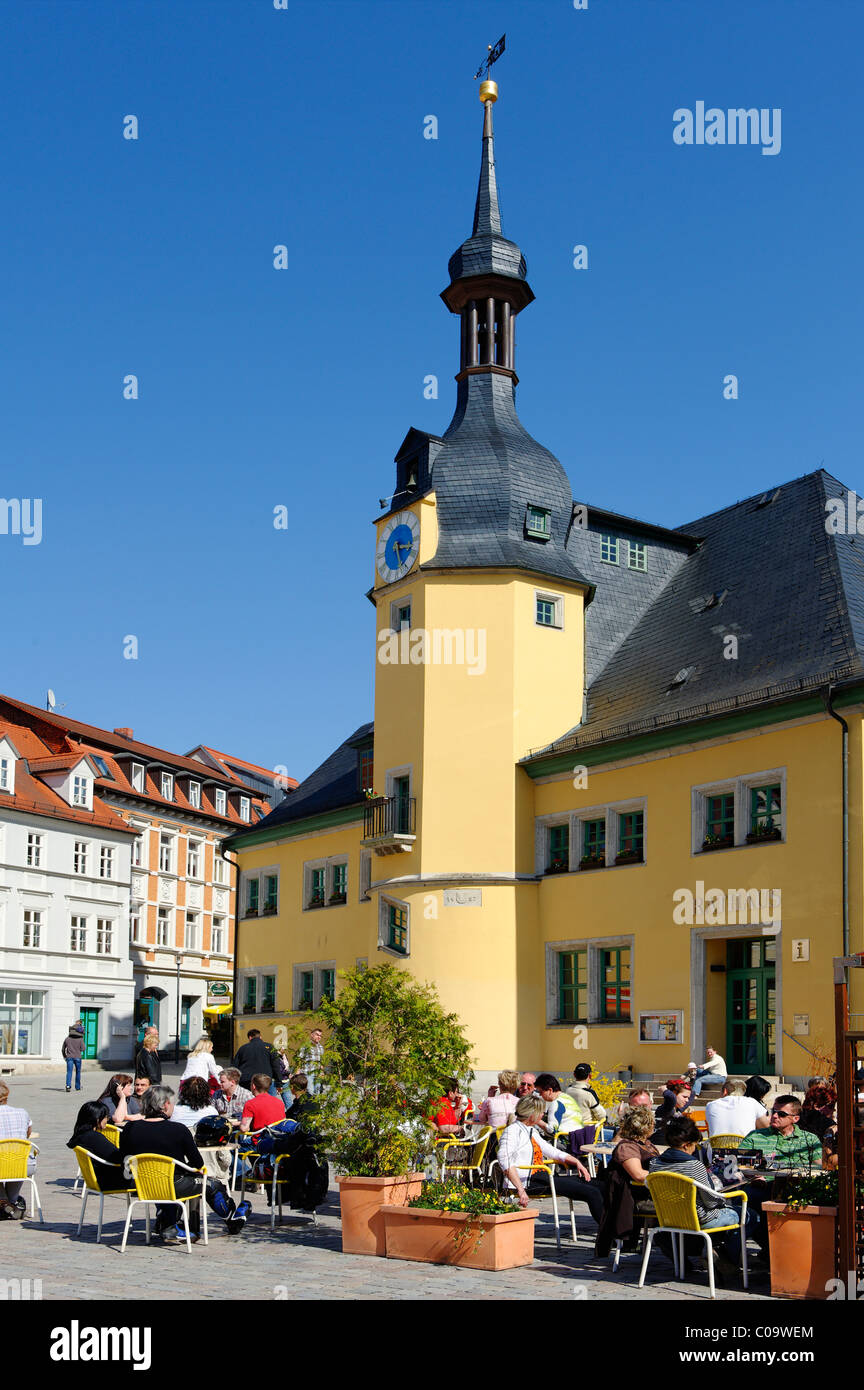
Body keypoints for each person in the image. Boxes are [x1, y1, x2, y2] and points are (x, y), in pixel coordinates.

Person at [118, 1084, 249, 1243]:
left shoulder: (130, 1128)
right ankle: (232, 1219)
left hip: (142, 1184)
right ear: (165, 1104)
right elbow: (197, 1162)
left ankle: (167, 1221)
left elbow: (124, 1157)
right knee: (210, 1183)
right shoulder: (178, 1129)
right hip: (173, 1184)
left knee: (179, 1179)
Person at [649, 1115, 743, 1274]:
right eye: (694, 1145)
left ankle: (715, 1250)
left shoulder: (655, 1163)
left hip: (669, 1218)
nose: (695, 1149)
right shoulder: (694, 1165)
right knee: (748, 1215)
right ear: (686, 1145)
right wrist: (722, 1192)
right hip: (699, 1219)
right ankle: (727, 1260)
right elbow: (711, 1203)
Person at [737, 1096, 825, 1259]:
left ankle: (782, 1251)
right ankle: (770, 1249)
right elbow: (741, 1165)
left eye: (781, 1114)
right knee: (747, 1201)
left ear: (795, 1119)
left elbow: (818, 1168)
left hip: (797, 1189)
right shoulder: (756, 1136)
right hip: (762, 1187)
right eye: (772, 1112)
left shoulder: (809, 1139)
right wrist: (755, 1176)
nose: (774, 1116)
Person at [496, 1093, 604, 1223]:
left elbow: (552, 1151)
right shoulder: (512, 1131)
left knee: (600, 1185)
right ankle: (609, 1235)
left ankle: (616, 1226)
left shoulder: (530, 1130)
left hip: (541, 1176)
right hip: (528, 1181)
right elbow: (505, 1160)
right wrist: (520, 1189)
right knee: (592, 1192)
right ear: (532, 1115)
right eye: (542, 1112)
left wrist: (576, 1161)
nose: (543, 1115)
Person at [595, 1105, 659, 1257]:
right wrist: (666, 1176)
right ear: (646, 1127)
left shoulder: (647, 1144)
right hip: (631, 1196)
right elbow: (637, 1174)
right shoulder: (627, 1147)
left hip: (646, 1191)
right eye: (652, 1124)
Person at [66, 1101, 126, 1189]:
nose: (108, 1120)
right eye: (106, 1117)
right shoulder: (94, 1137)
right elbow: (117, 1158)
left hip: (94, 1179)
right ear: (97, 1119)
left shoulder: (81, 1136)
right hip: (109, 1181)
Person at [0, 1080, 33, 1219]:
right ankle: (12, 1202)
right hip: (23, 1164)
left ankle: (4, 1201)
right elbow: (28, 1133)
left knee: (4, 1162)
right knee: (15, 1159)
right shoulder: (22, 1112)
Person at [705, 1079, 770, 1137]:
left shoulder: (711, 1105)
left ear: (725, 1091)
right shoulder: (751, 1102)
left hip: (717, 1149)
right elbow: (766, 1126)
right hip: (744, 1148)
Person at [238, 1073, 286, 1143]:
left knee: (233, 1147)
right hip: (278, 1140)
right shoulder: (279, 1102)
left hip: (259, 1142)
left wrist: (237, 1123)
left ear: (253, 1086)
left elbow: (244, 1128)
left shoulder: (250, 1104)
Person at [298, 1027, 324, 1095]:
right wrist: (297, 1073)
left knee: (317, 1093)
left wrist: (322, 1072)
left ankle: (316, 1105)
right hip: (308, 1073)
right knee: (310, 1092)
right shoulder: (305, 1046)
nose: (319, 1037)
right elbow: (300, 1059)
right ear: (312, 1035)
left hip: (318, 1074)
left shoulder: (321, 1047)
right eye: (317, 1035)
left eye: (320, 1035)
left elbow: (321, 1062)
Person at [62, 1020, 85, 1093]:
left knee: (69, 1072)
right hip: (78, 1057)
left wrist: (65, 1056)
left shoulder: (67, 1039)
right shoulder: (80, 1039)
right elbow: (83, 1049)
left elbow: (63, 1049)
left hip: (69, 1057)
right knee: (78, 1072)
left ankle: (68, 1086)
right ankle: (77, 1087)